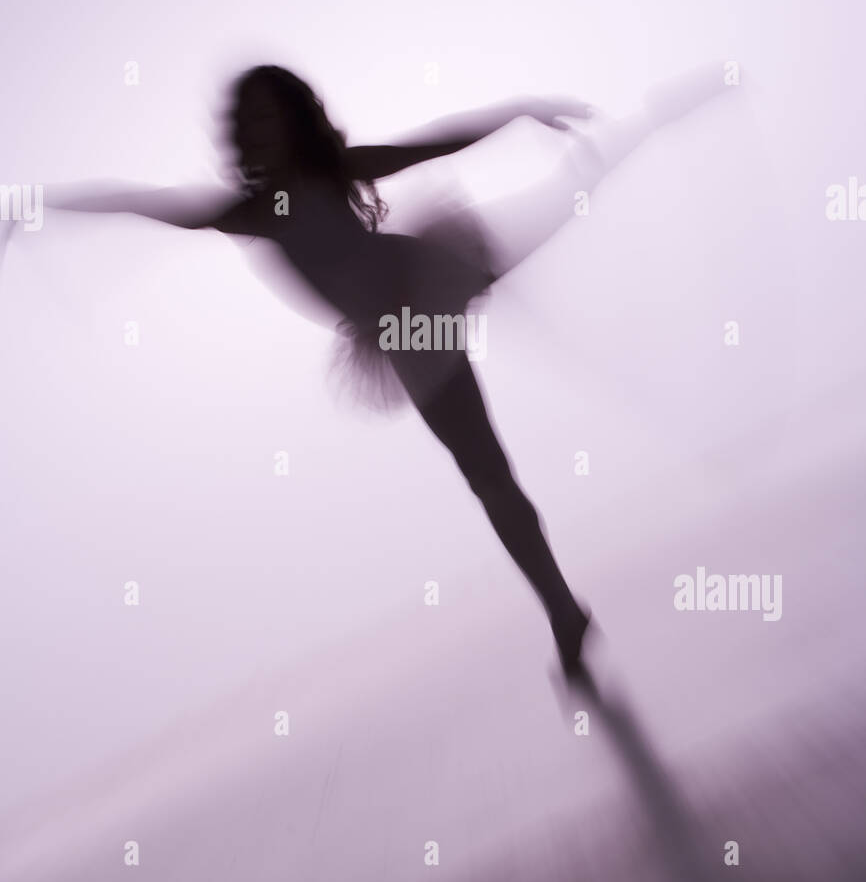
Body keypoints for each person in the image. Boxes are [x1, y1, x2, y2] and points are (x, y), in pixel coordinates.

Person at [31, 62, 730, 680]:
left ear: (296, 120)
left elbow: (435, 141)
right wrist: (38, 205)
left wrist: (519, 111)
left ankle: (655, 120)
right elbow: (137, 203)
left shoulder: (334, 170)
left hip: (427, 277)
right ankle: (563, 609)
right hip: (402, 332)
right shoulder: (246, 212)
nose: (265, 131)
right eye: (253, 121)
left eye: (274, 116)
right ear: (242, 135)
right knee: (487, 475)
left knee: (556, 208)